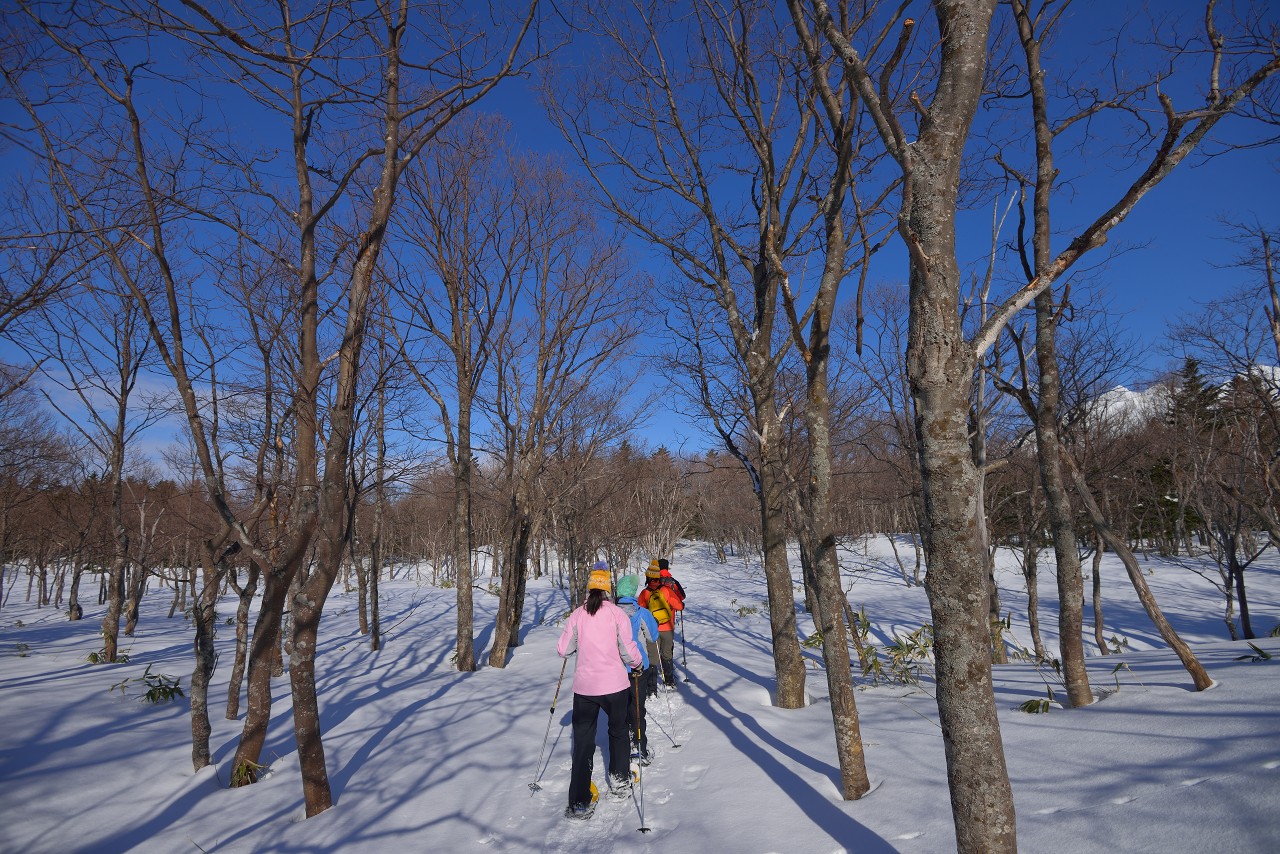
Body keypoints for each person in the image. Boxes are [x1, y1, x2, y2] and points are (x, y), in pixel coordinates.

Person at [557, 561, 644, 820]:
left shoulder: (577, 614)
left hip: (585, 688)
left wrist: (576, 641)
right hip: (615, 686)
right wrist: (637, 664)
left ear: (589, 588)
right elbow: (627, 649)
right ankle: (619, 781)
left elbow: (564, 649)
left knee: (583, 741)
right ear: (607, 589)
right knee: (618, 732)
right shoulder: (616, 614)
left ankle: (580, 800)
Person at [615, 587, 660, 765]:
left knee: (621, 708)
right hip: (638, 666)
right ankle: (639, 746)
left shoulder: (611, 612)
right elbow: (653, 637)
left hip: (616, 667)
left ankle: (622, 746)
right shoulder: (641, 612)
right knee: (637, 707)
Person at [638, 564, 684, 687]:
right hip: (667, 627)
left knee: (653, 657)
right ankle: (669, 681)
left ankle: (652, 688)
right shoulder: (666, 590)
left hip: (652, 629)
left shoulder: (644, 593)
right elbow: (679, 606)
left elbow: (640, 611)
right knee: (667, 654)